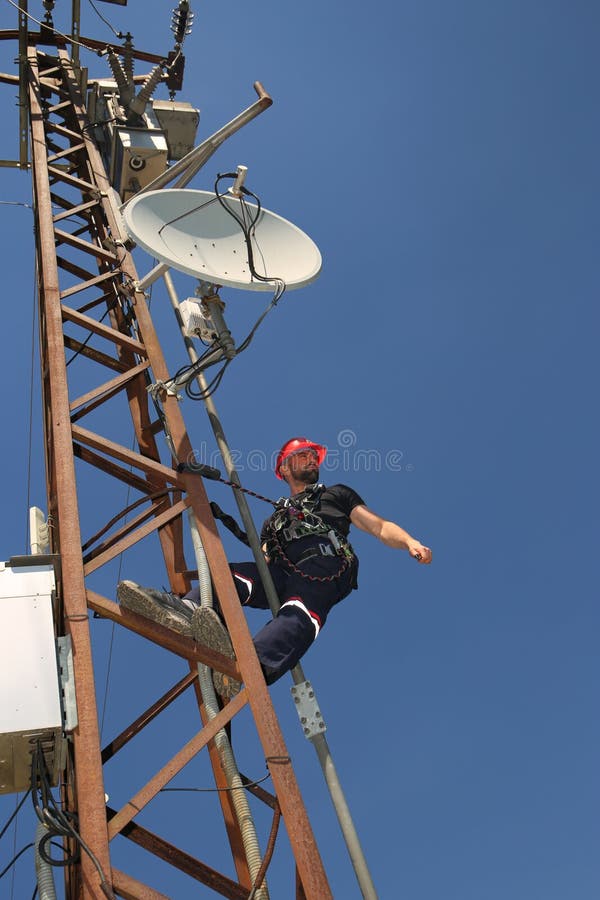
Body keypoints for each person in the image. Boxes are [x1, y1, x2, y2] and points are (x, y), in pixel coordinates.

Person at [118, 437, 432, 697]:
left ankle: (250, 663)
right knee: (229, 576)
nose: (313, 460)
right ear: (284, 467)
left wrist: (410, 542)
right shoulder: (275, 521)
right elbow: (265, 561)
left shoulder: (336, 495)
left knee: (299, 610)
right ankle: (186, 610)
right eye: (304, 455)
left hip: (326, 565)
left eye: (314, 456)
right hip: (284, 571)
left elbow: (378, 526)